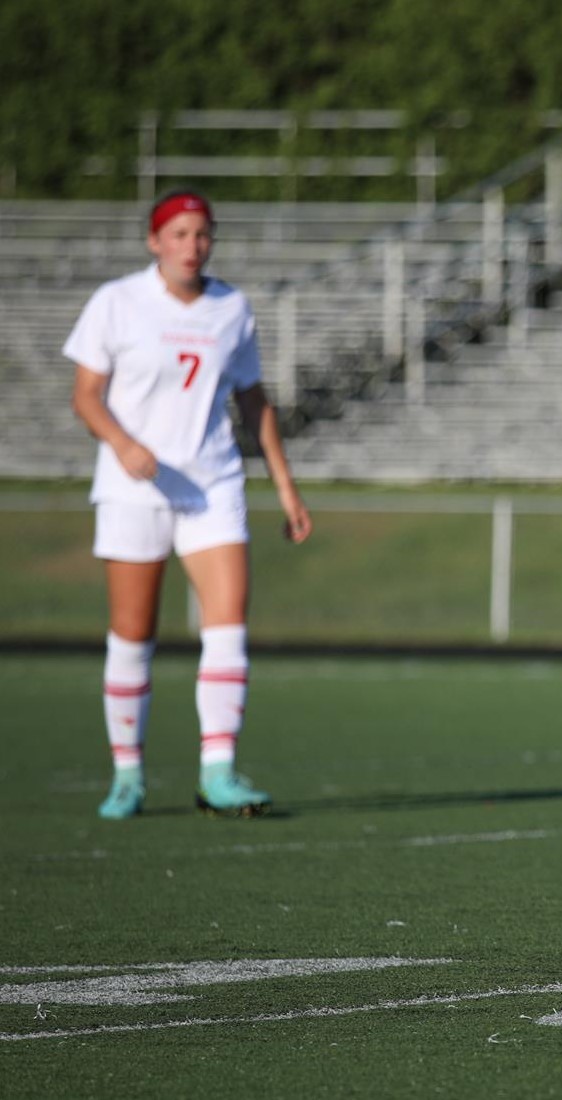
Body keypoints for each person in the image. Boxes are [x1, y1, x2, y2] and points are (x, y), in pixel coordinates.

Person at [65, 190, 313, 820]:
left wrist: (286, 488)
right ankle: (128, 776)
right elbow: (87, 396)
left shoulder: (232, 308)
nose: (191, 246)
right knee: (133, 635)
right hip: (133, 488)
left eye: (201, 234)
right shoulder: (116, 303)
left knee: (227, 625)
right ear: (154, 241)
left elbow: (254, 403)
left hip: (212, 485)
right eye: (177, 234)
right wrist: (122, 444)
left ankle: (218, 772)